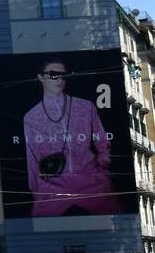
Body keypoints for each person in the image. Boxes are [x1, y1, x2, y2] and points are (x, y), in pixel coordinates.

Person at [23, 59, 122, 216]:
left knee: (119, 223)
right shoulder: (31, 117)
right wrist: (39, 190)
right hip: (54, 185)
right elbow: (32, 160)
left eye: (63, 75)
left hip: (91, 179)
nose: (60, 79)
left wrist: (103, 167)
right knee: (39, 226)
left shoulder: (86, 107)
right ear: (41, 77)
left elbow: (102, 141)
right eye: (54, 75)